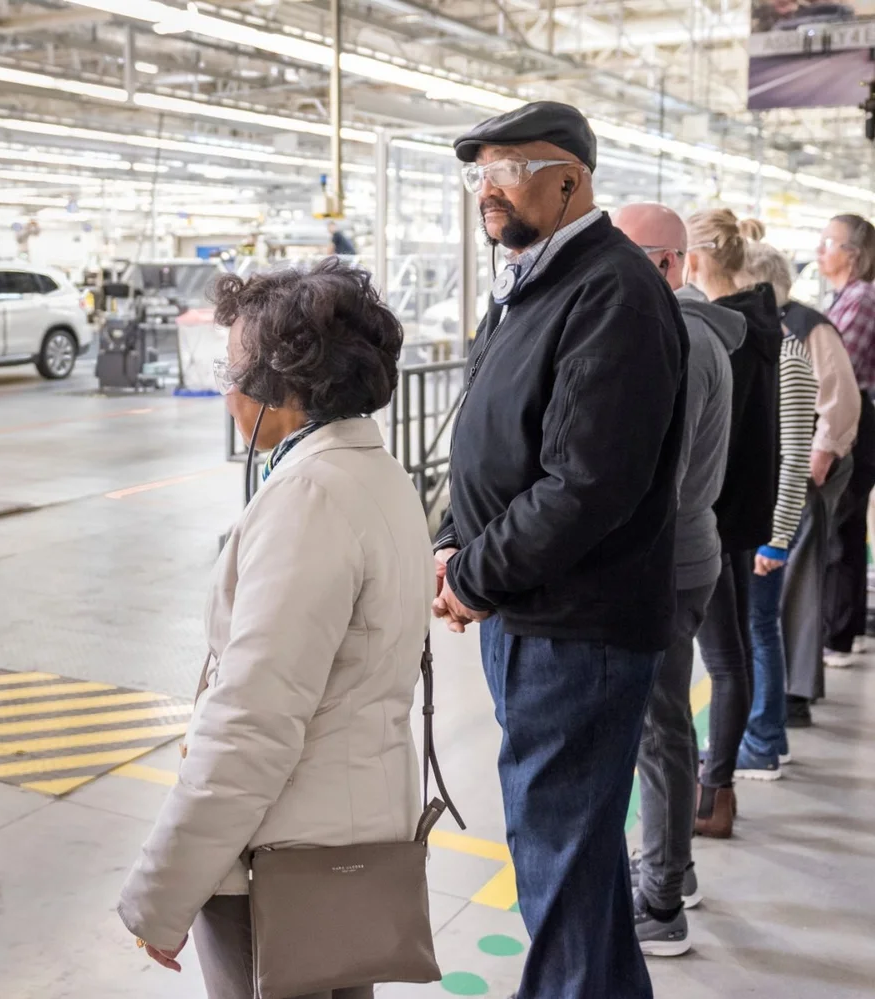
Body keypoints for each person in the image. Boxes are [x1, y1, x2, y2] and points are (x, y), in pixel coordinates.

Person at [117, 258, 427, 999]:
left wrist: (163, 893)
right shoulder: (376, 474)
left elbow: (253, 721)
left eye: (233, 369)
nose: (226, 389)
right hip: (348, 840)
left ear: (282, 385)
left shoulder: (311, 497)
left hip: (279, 862)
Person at [434, 102, 687, 998]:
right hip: (533, 613)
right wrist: (453, 538)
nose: (487, 192)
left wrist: (473, 572)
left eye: (504, 171)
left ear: (568, 179)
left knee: (559, 862)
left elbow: (587, 484)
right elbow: (491, 435)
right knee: (572, 860)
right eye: (478, 175)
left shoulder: (612, 291)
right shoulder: (531, 284)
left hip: (576, 628)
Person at [614, 202, 735, 956]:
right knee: (665, 728)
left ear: (661, 264)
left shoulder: (680, 339)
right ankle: (674, 867)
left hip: (666, 564)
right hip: (687, 556)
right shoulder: (691, 330)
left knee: (660, 733)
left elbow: (657, 479)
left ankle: (659, 902)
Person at [735, 235, 858, 777]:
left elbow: (828, 415)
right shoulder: (774, 337)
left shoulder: (797, 339)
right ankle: (772, 726)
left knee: (771, 615)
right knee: (768, 616)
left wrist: (778, 529)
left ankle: (769, 728)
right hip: (776, 501)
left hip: (789, 497)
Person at [680, 208, 780, 838]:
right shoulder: (764, 324)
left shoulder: (723, 333)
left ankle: (714, 793)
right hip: (745, 509)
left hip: (715, 514)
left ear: (691, 262)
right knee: (736, 651)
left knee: (724, 658)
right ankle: (720, 785)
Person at [820, 213, 875, 704]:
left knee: (839, 529)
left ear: (851, 255)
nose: (821, 252)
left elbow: (840, 378)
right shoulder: (847, 299)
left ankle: (837, 634)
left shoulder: (859, 302)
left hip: (854, 426)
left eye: (828, 243)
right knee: (849, 531)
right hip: (859, 421)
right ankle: (847, 627)